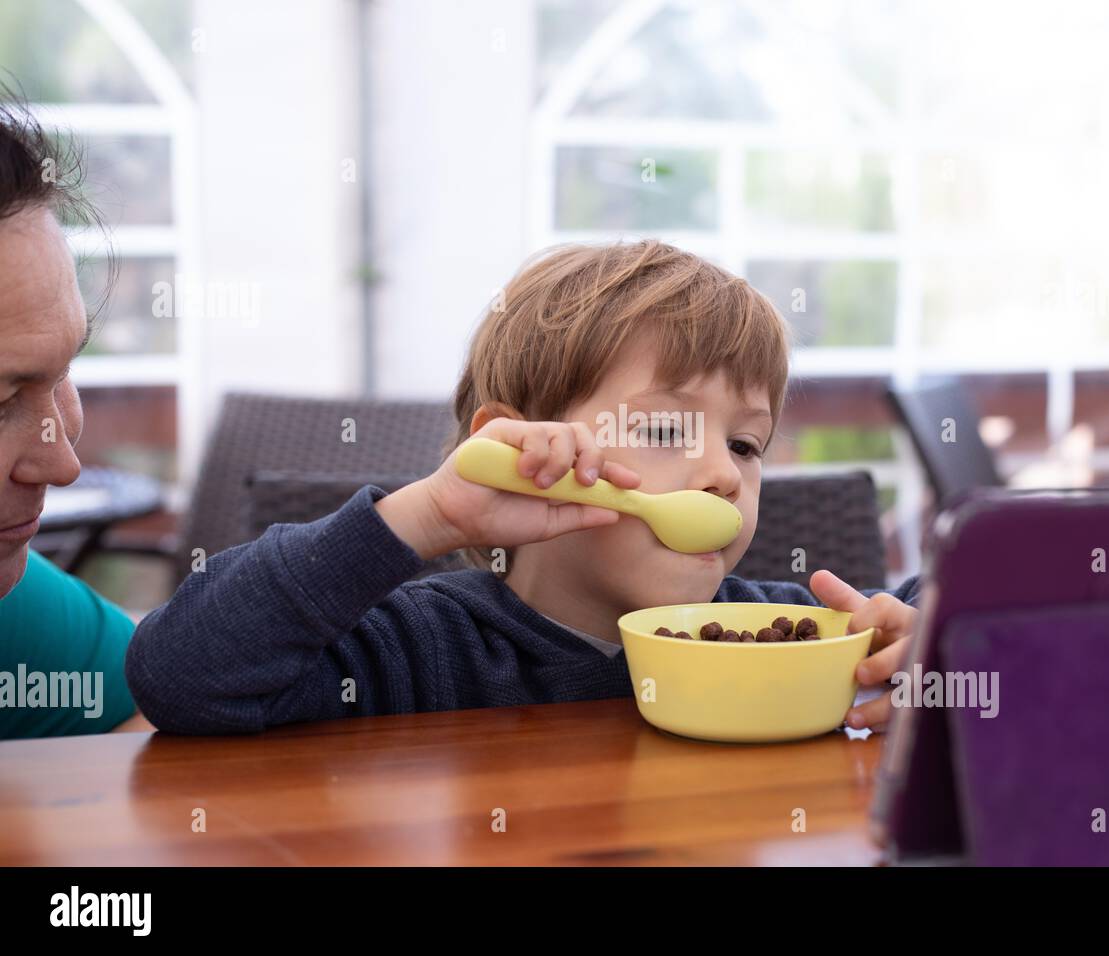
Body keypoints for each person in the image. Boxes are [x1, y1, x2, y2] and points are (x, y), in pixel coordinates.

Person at [126, 241, 920, 735]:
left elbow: (975, 658)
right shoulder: (422, 649)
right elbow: (178, 674)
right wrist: (427, 512)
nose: (723, 473)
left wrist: (923, 658)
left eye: (746, 444)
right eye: (667, 430)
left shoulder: (784, 639)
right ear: (517, 450)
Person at [0, 87, 149, 737]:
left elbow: (152, 708)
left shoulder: (17, 618)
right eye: (1, 402)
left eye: (64, 372)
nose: (64, 465)